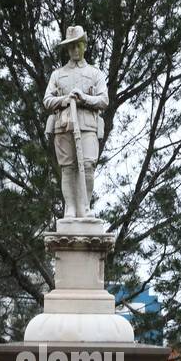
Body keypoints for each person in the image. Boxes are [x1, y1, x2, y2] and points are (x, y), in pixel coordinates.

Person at [43, 25, 108, 217]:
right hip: (63, 126)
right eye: (71, 47)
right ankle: (70, 208)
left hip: (87, 126)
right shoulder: (57, 74)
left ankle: (84, 206)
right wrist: (64, 100)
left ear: (85, 46)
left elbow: (104, 100)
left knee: (87, 165)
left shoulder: (95, 73)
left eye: (78, 45)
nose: (75, 50)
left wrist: (84, 99)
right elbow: (47, 100)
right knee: (68, 168)